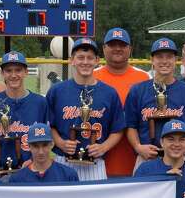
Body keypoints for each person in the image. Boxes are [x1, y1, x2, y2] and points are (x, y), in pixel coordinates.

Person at [46, 38, 125, 180]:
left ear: (97, 61)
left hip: (95, 163)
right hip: (64, 160)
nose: (85, 62)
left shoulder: (109, 93)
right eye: (80, 57)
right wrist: (61, 143)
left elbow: (118, 129)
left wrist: (103, 147)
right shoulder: (57, 91)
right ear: (72, 60)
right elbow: (49, 125)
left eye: (90, 58)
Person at [125, 39, 185, 167]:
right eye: (159, 57)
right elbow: (131, 126)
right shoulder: (137, 90)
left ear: (176, 60)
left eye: (169, 57)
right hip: (146, 157)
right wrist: (138, 147)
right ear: (152, 60)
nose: (164, 61)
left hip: (178, 158)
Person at [93, 27, 149, 178]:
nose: (117, 48)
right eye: (112, 44)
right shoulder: (91, 76)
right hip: (96, 162)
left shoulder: (144, 77)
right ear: (104, 48)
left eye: (122, 45)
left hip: (137, 160)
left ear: (130, 49)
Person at [0, 51, 50, 174]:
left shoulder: (40, 103)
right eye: (8, 70)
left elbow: (46, 140)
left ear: (26, 72)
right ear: (2, 73)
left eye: (18, 70)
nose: (13, 75)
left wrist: (33, 161)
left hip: (31, 171)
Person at [9, 123, 80, 183]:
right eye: (36, 146)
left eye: (45, 145)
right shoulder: (17, 179)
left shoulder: (69, 175)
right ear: (29, 146)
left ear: (52, 144)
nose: (41, 152)